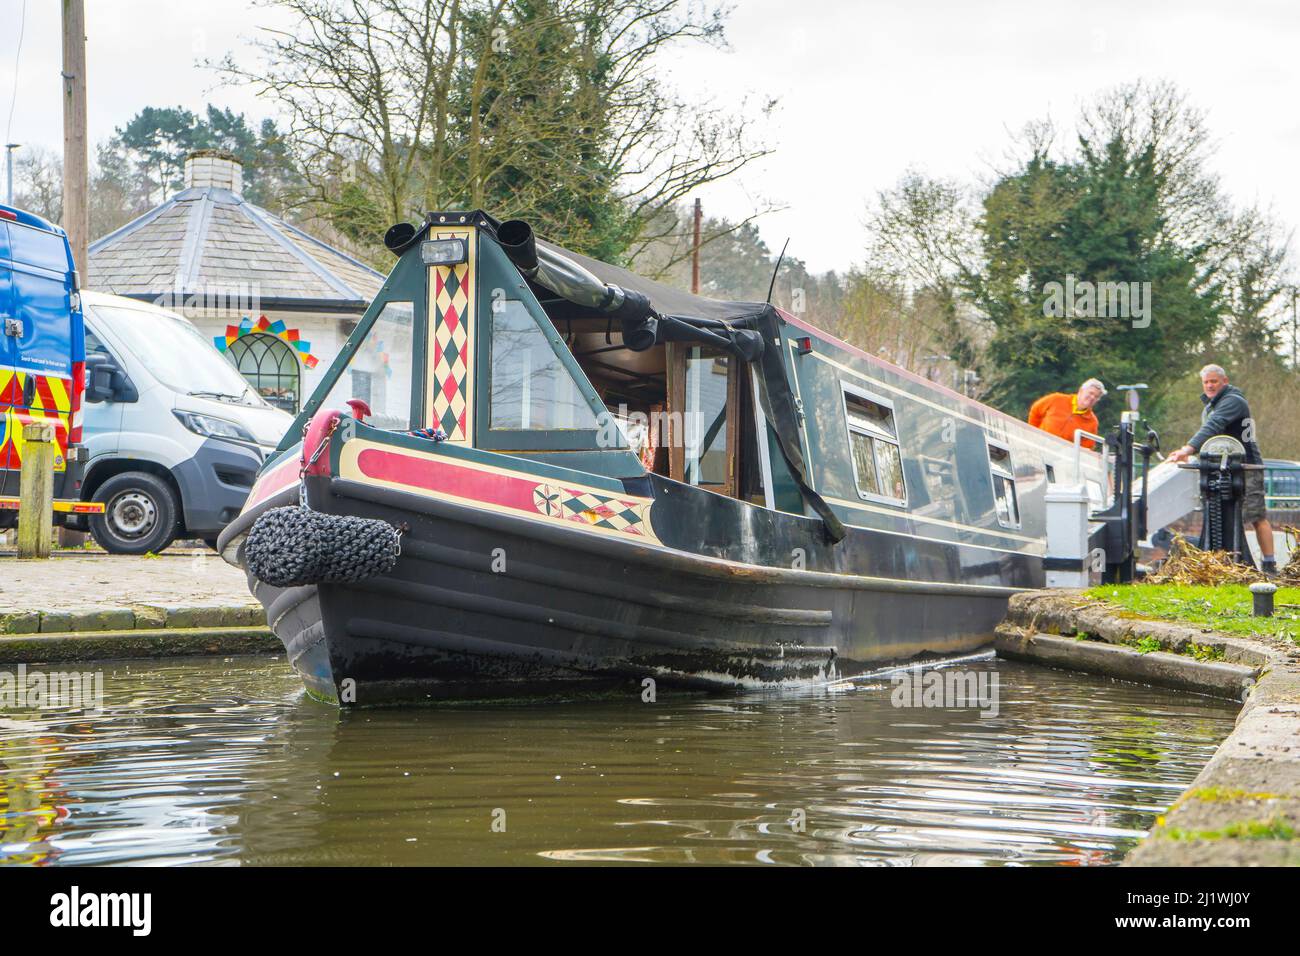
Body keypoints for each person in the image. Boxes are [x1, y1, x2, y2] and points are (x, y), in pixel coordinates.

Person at [1166, 365, 1276, 575]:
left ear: (1224, 381)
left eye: (1213, 381)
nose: (1209, 386)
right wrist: (1193, 456)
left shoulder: (1234, 401)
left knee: (1256, 515)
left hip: (1247, 467)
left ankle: (1269, 565)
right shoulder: (1209, 407)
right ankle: (1221, 563)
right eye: (1206, 382)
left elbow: (1213, 426)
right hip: (1223, 469)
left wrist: (1187, 448)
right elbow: (1211, 440)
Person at [1028, 379, 1106, 448]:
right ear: (1081, 390)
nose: (1092, 397)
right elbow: (1035, 411)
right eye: (1090, 393)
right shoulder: (1056, 399)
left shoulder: (1092, 422)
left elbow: (1086, 447)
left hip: (1062, 458)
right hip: (1038, 445)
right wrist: (1034, 433)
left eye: (1096, 396)